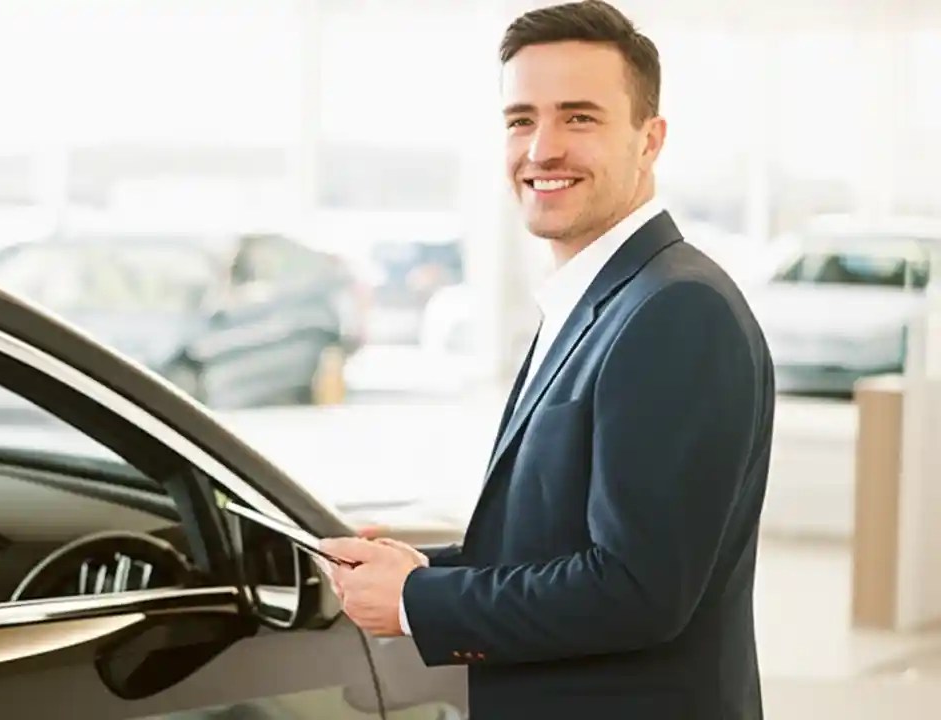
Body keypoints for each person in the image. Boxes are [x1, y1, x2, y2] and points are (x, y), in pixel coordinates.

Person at [319, 1, 775, 718]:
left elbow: (637, 592)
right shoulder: (602, 297)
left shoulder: (676, 311)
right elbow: (557, 543)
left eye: (580, 118)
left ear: (649, 140)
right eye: (521, 119)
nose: (542, 150)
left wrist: (417, 603)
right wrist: (419, 569)